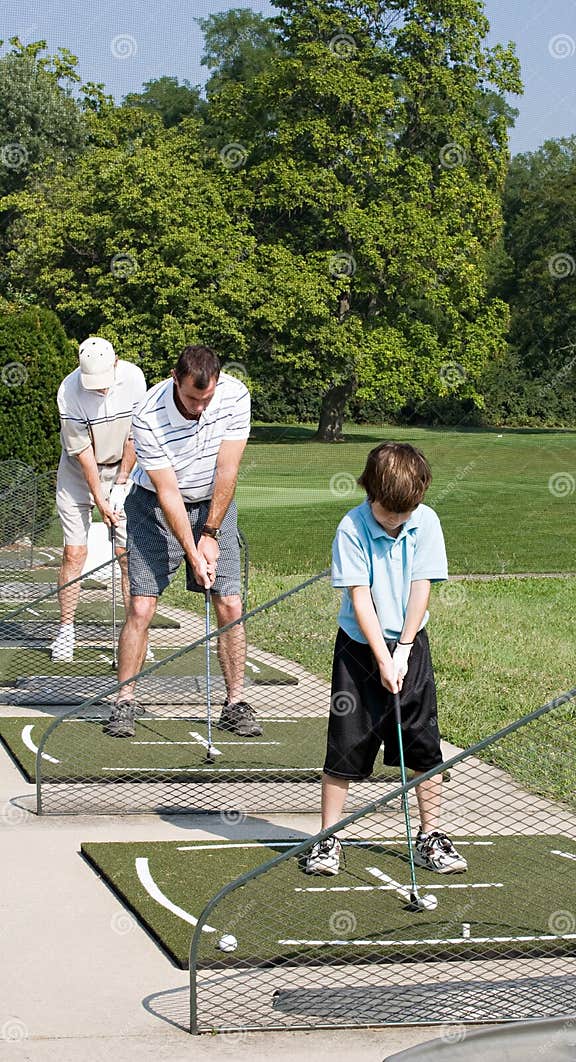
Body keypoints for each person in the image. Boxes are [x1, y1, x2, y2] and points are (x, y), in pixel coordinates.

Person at [306, 442, 467, 876]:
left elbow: (421, 588)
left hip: (410, 644)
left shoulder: (426, 522)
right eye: (387, 512)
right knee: (347, 740)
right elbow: (360, 599)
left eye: (404, 513)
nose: (396, 520)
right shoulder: (351, 528)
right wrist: (382, 657)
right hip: (360, 649)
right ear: (369, 492)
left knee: (422, 742)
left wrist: (405, 650)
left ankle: (430, 835)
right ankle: (327, 838)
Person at [104, 344, 259, 740]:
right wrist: (194, 552)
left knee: (229, 602)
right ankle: (125, 700)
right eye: (192, 398)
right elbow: (168, 491)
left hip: (213, 504)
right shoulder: (147, 414)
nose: (200, 408)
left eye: (206, 398)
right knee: (141, 605)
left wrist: (210, 533)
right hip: (154, 506)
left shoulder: (235, 397)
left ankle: (235, 703)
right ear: (176, 378)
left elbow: (228, 469)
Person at [52, 337, 147, 662]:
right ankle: (66, 631)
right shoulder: (69, 391)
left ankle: (135, 634)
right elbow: (84, 455)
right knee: (74, 553)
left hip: (121, 468)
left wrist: (122, 482)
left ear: (116, 362)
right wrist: (100, 499)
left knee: (125, 555)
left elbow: (137, 436)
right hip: (78, 474)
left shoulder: (134, 379)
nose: (100, 390)